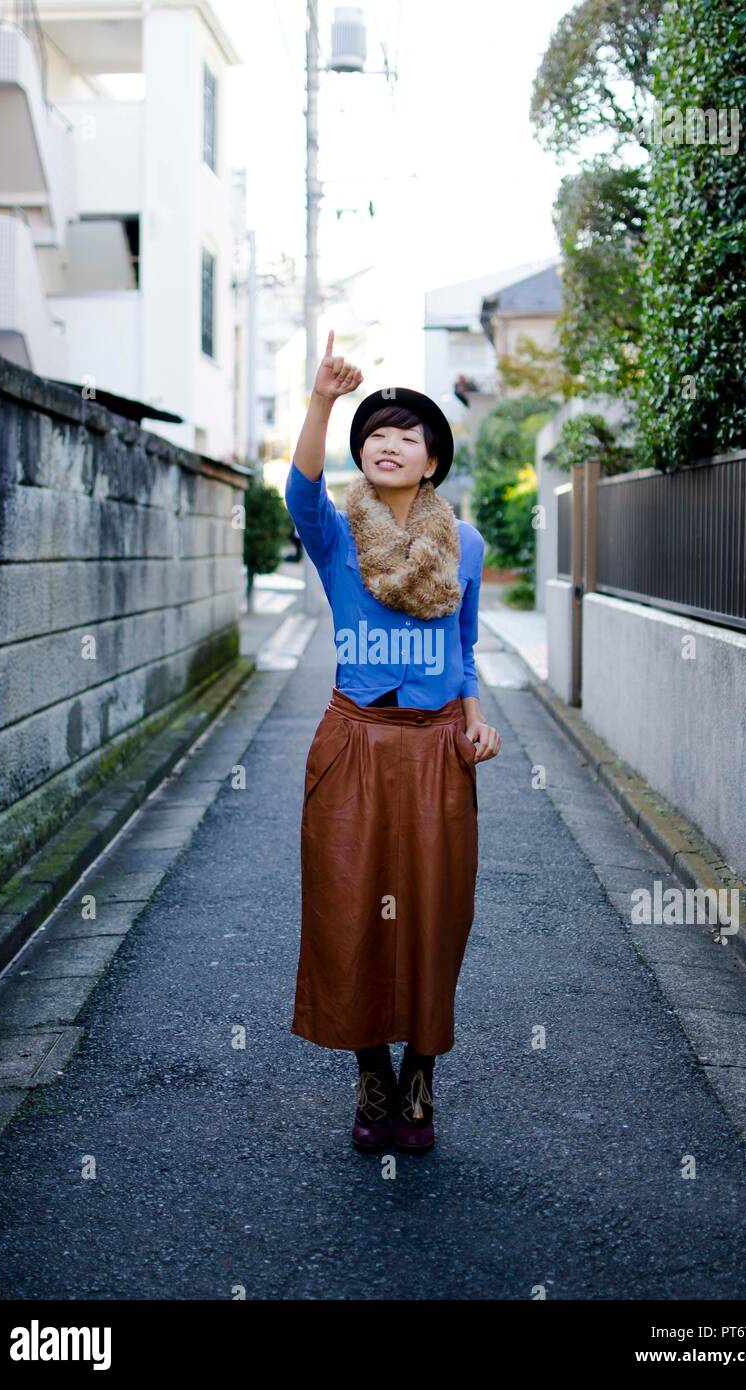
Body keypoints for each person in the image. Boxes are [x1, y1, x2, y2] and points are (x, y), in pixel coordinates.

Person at [284, 329, 501, 1154]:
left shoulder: (466, 546)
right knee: (350, 911)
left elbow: (465, 647)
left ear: (432, 462)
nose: (389, 444)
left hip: (437, 747)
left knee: (433, 916)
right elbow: (300, 489)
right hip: (354, 742)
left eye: (408, 436)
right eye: (376, 434)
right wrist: (321, 399)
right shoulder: (336, 536)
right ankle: (370, 1073)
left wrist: (476, 715)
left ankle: (421, 1076)